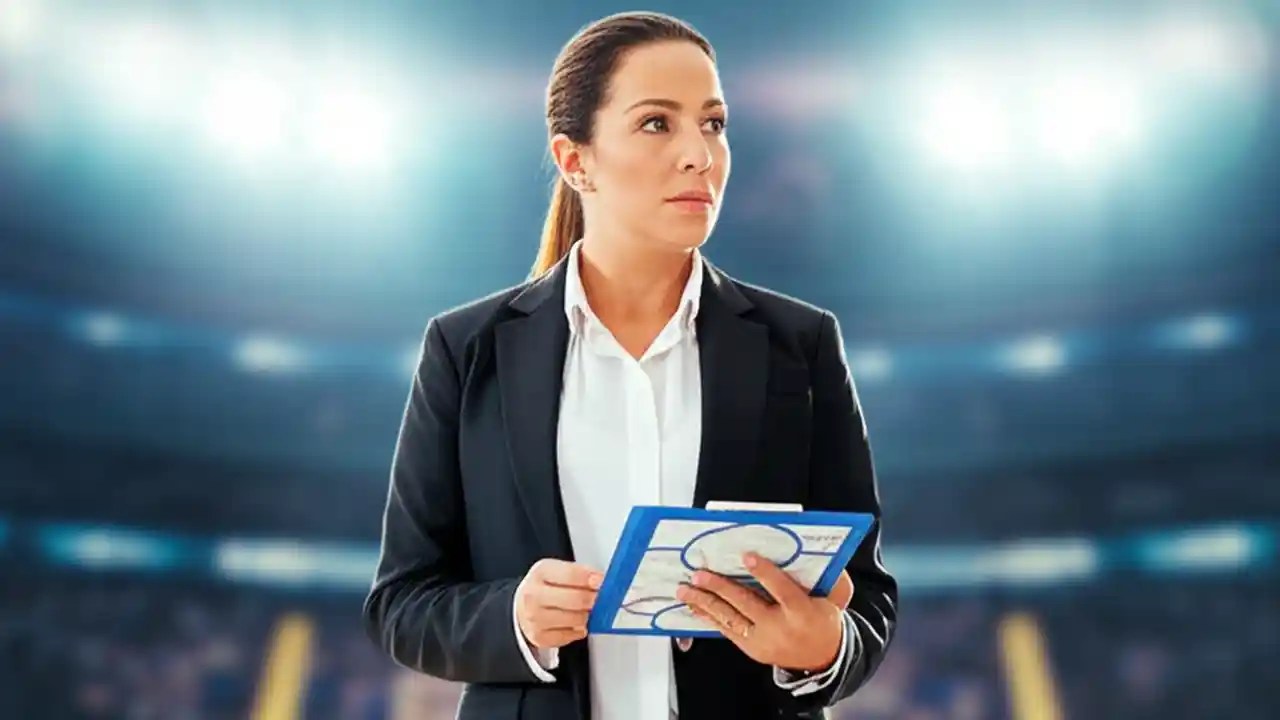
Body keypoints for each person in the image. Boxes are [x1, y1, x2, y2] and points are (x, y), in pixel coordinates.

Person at [362, 11, 897, 720]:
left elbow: (867, 599)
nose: (699, 154)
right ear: (574, 161)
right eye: (656, 123)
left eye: (713, 123)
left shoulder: (801, 345)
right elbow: (402, 604)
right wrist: (516, 617)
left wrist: (824, 648)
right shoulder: (466, 350)